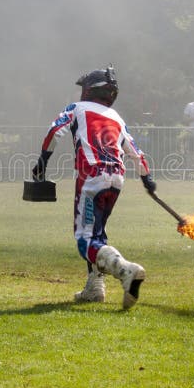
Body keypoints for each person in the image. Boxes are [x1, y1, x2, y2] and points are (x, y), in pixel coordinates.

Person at [32, 66, 156, 310]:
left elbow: (55, 131)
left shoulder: (76, 108)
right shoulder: (117, 118)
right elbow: (136, 152)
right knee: (97, 231)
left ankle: (126, 270)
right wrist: (147, 179)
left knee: (84, 239)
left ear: (90, 90)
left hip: (91, 177)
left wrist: (42, 163)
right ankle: (94, 288)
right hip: (116, 179)